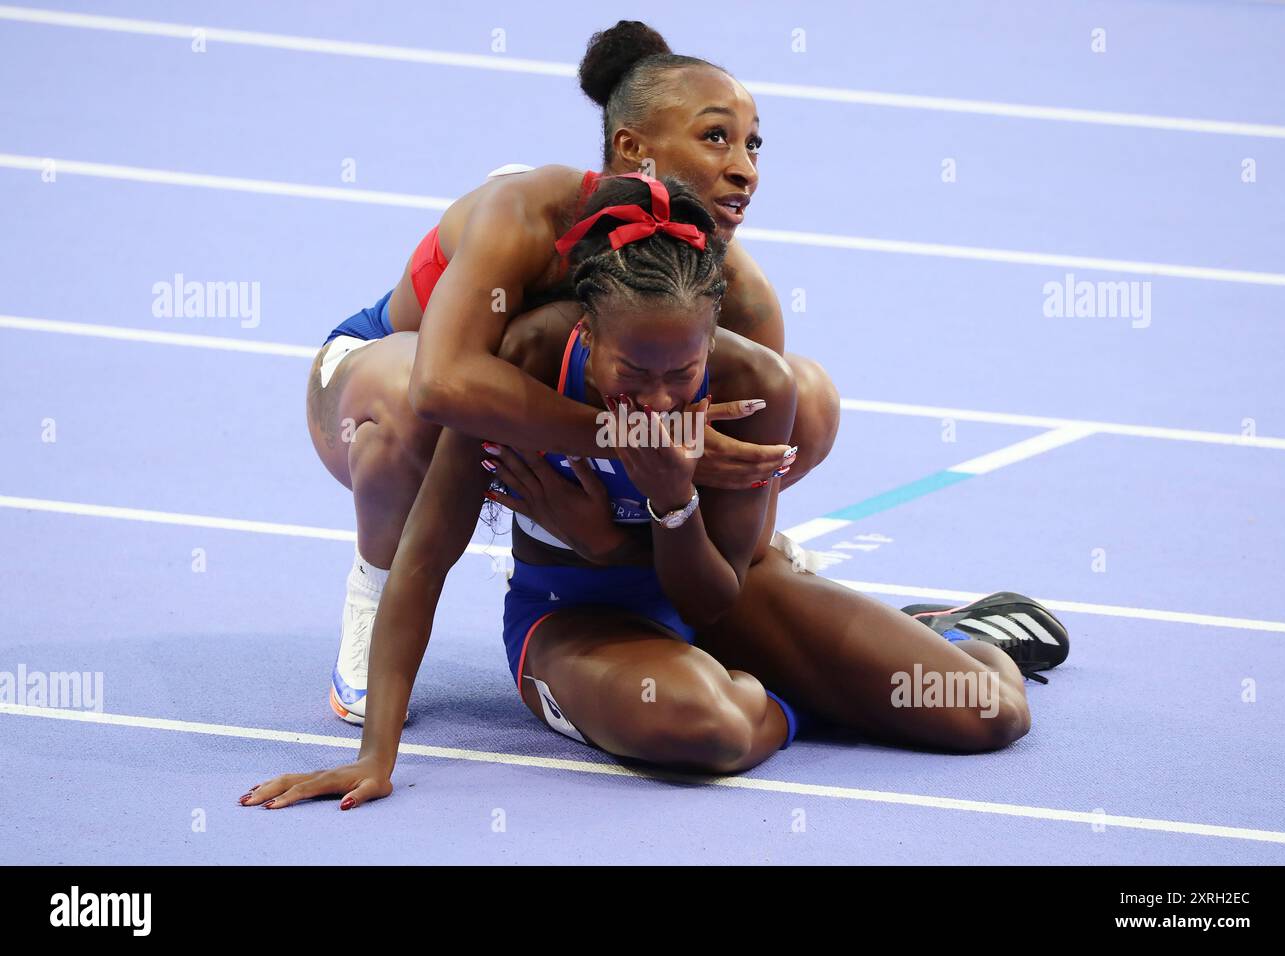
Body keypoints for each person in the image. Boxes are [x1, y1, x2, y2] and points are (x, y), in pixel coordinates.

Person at [242, 176, 1067, 811]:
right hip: (572, 619)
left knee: (988, 712)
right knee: (704, 730)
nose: (662, 399)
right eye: (632, 374)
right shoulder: (527, 360)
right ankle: (799, 697)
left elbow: (717, 597)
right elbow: (423, 561)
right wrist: (375, 758)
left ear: (714, 334)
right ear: (586, 335)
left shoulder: (755, 381)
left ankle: (941, 634)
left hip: (716, 606)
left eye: (683, 372)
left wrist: (672, 504)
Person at [306, 20, 842, 724]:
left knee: (803, 397)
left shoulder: (738, 294)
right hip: (383, 385)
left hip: (538, 422)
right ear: (633, 149)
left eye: (752, 143)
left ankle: (643, 562)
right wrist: (631, 437)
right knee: (421, 404)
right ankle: (375, 590)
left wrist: (630, 531)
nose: (746, 168)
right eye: (716, 138)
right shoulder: (529, 210)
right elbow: (443, 383)